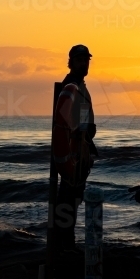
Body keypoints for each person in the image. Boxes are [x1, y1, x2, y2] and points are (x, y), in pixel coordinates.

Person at [51, 45, 98, 253]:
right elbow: (64, 124)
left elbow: (84, 121)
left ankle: (65, 242)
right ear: (70, 62)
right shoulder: (69, 85)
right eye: (79, 60)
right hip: (74, 155)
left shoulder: (81, 86)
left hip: (82, 154)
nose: (84, 63)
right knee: (67, 200)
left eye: (86, 59)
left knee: (73, 200)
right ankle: (63, 245)